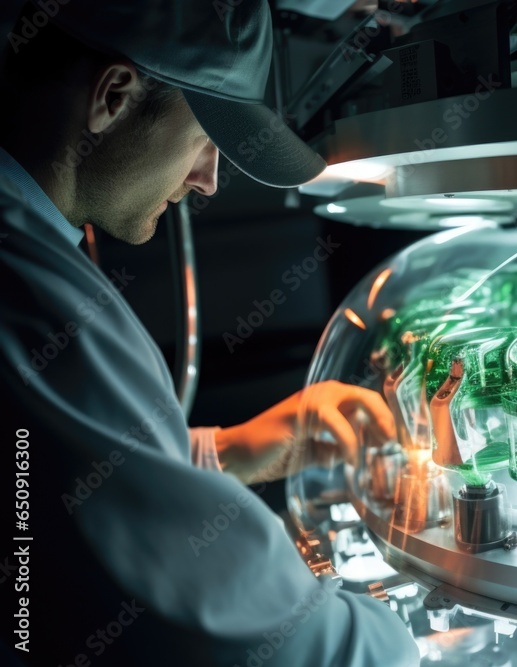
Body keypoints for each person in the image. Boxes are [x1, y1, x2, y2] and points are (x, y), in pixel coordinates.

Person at [0, 0, 420, 665]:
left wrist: (225, 452)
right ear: (113, 97)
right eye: (204, 138)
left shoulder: (32, 247)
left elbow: (58, 491)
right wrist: (403, 636)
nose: (209, 180)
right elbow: (231, 631)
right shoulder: (29, 294)